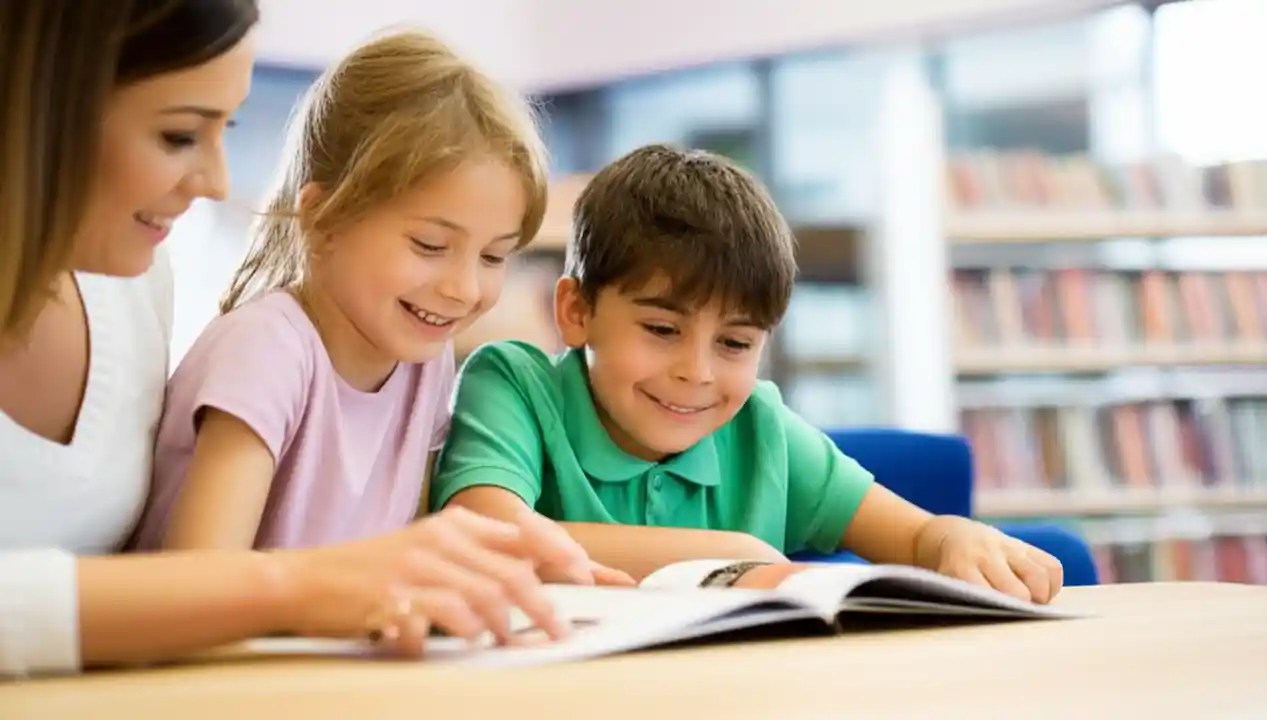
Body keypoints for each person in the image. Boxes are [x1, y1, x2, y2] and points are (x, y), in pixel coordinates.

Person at [0, 0, 592, 678]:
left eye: (494, 256)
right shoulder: (267, 349)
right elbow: (204, 579)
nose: (463, 288)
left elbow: (402, 554)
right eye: (178, 134)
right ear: (322, 218)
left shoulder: (136, 283)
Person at [431, 144, 1065, 603]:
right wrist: (740, 556)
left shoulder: (762, 428)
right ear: (575, 311)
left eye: (734, 343)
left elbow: (919, 534)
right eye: (660, 330)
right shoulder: (512, 382)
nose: (696, 372)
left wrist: (950, 538)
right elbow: (489, 534)